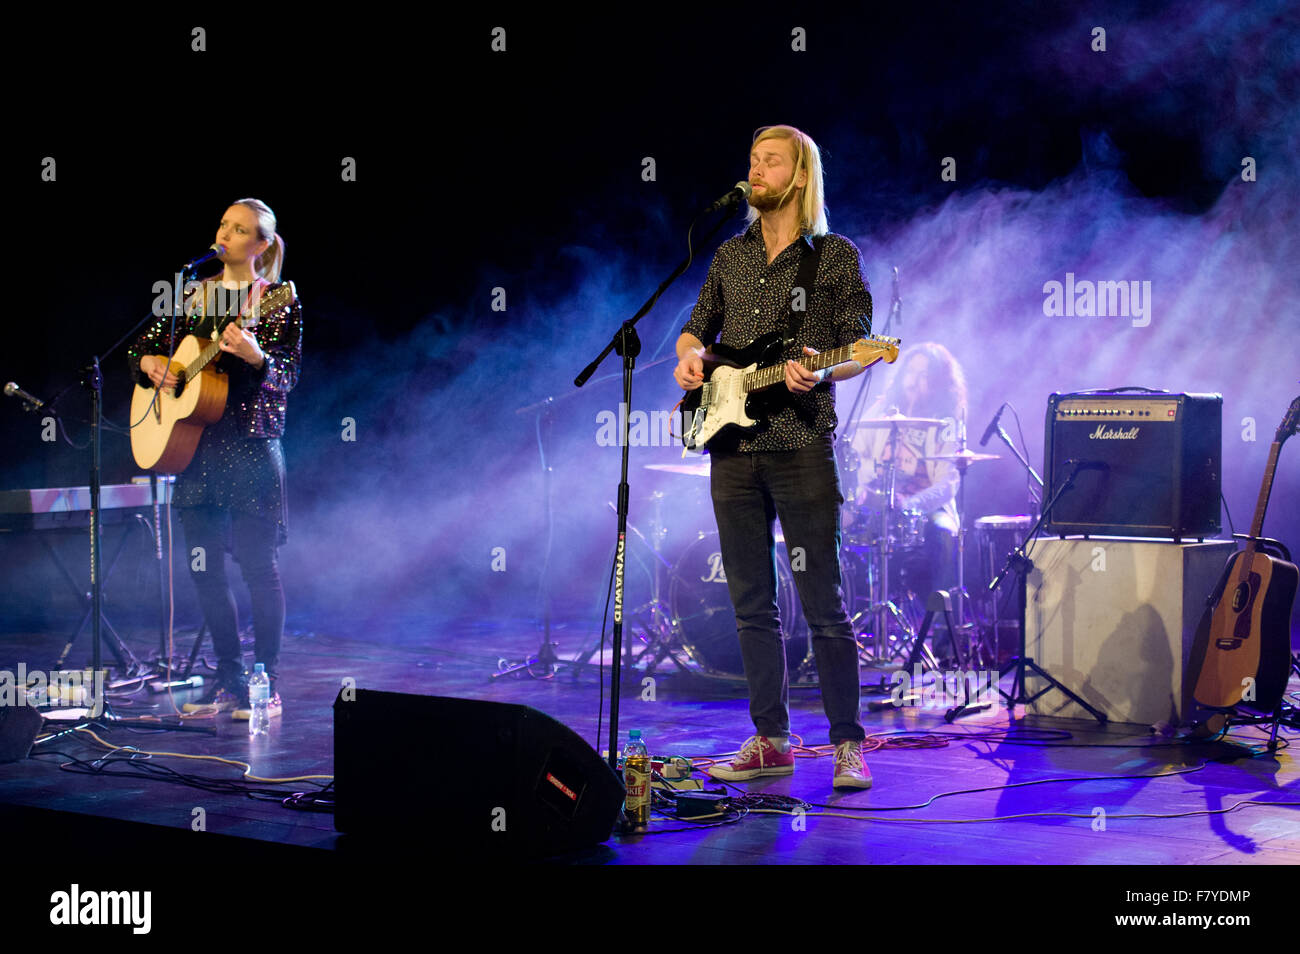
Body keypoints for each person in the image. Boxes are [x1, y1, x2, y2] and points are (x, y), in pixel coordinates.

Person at [674, 125, 879, 789]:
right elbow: (695, 329)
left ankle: (848, 744)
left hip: (800, 448)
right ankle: (771, 738)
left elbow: (858, 348)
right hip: (731, 449)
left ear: (800, 176)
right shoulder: (730, 256)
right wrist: (688, 358)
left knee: (823, 602)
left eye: (771, 161)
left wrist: (820, 373)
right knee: (749, 602)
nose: (755, 170)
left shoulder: (835, 257)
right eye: (753, 160)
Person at [127, 198, 302, 721]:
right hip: (195, 449)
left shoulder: (276, 300)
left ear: (262, 245)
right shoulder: (189, 295)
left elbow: (287, 375)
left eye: (241, 229)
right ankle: (226, 680)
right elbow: (147, 351)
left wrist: (258, 357)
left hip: (250, 447)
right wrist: (152, 363)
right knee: (204, 571)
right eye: (224, 224)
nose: (226, 233)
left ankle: (265, 683)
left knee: (258, 568)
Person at [849, 342, 968, 628]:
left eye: (924, 375)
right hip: (878, 501)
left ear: (939, 382)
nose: (915, 381)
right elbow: (855, 451)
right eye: (911, 373)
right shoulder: (883, 408)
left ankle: (943, 636)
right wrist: (866, 489)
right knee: (827, 525)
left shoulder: (948, 420)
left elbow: (949, 483)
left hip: (926, 507)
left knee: (944, 534)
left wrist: (909, 505)